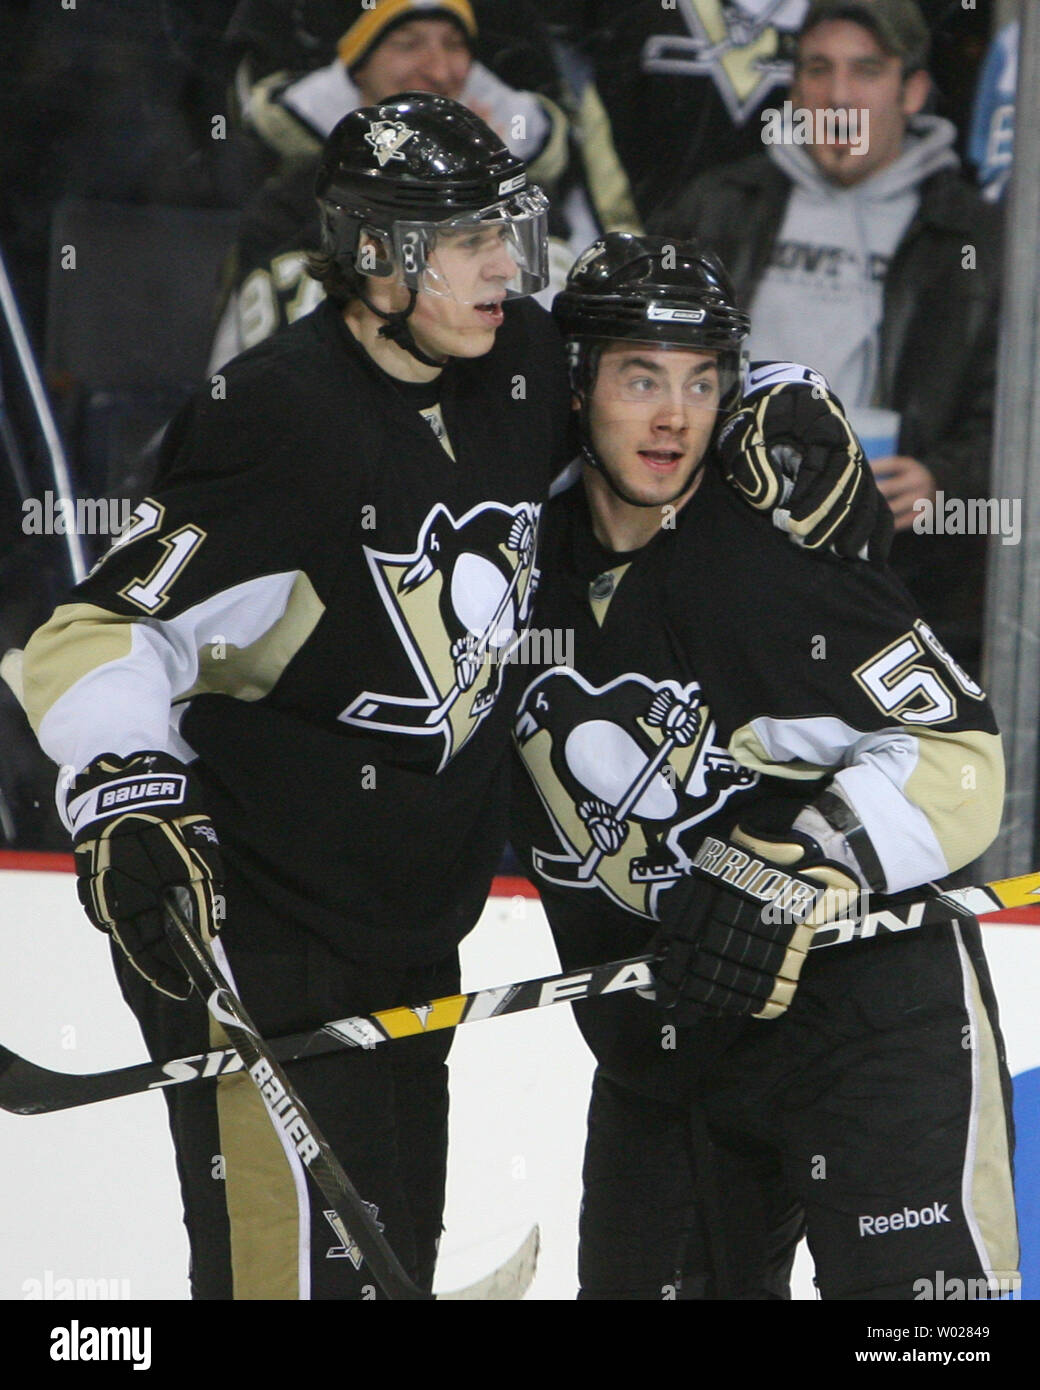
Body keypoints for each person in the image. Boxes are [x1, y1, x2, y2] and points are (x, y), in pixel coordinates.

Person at [16, 94, 883, 1299]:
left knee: (381, 1268)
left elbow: (642, 354)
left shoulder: (513, 366)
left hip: (408, 930)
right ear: (378, 252)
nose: (504, 268)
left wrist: (778, 387)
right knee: (284, 1280)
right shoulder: (278, 414)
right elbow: (101, 627)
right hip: (261, 930)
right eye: (470, 240)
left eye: (507, 232)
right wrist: (124, 794)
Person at [509, 231, 1018, 1300]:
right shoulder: (511, 562)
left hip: (869, 1035)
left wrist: (797, 858)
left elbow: (961, 756)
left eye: (701, 382)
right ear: (573, 384)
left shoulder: (763, 560)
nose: (671, 417)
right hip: (665, 1045)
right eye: (638, 376)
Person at [651, 0, 1003, 671]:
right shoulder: (718, 203)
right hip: (715, 548)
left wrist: (944, 481)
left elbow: (1013, 409)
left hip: (892, 579)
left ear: (914, 91)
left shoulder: (978, 239)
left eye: (866, 70)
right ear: (796, 88)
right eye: (819, 69)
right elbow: (635, 360)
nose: (839, 94)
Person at [208, 0, 639, 370]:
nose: (438, 69)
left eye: (454, 44)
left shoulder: (534, 207)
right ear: (354, 69)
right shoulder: (289, 207)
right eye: (407, 43)